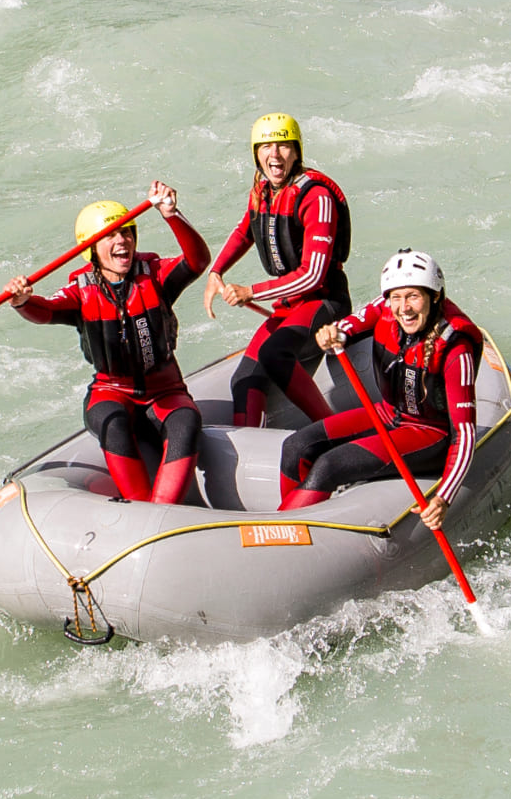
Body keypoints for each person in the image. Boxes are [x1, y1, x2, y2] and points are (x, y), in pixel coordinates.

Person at [7, 182, 209, 505]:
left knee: (186, 421)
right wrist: (22, 301)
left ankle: (161, 512)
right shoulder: (81, 292)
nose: (122, 241)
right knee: (113, 424)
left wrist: (171, 215)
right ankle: (142, 510)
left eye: (127, 233)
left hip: (166, 389)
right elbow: (44, 312)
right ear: (90, 249)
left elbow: (197, 261)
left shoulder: (154, 274)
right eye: (110, 236)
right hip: (111, 391)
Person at [278, 249, 479, 529]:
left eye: (413, 296)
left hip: (429, 434)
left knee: (329, 466)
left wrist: (444, 497)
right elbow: (351, 324)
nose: (404, 307)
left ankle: (282, 531)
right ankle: (288, 527)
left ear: (434, 296)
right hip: (386, 415)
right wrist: (335, 332)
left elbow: (464, 434)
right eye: (396, 297)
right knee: (296, 446)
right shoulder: (385, 308)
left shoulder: (456, 348)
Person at [205, 112, 353, 428]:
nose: (274, 154)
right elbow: (246, 230)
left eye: (284, 145)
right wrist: (216, 271)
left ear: (297, 152)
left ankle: (333, 433)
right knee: (244, 380)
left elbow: (313, 275)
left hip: (323, 302)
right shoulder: (262, 188)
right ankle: (248, 447)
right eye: (265, 146)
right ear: (256, 154)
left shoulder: (317, 196)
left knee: (274, 354)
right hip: (288, 305)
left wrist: (250, 292)